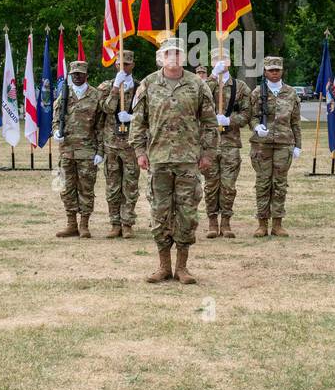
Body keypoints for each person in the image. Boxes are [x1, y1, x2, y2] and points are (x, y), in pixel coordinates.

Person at [130, 37, 216, 284]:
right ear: (161, 58)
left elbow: (210, 123)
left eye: (177, 53)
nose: (173, 57)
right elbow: (138, 121)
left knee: (187, 213)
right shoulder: (148, 84)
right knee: (160, 212)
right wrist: (139, 152)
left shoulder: (197, 85)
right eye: (168, 53)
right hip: (158, 159)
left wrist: (208, 153)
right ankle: (163, 266)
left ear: (184, 57)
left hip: (188, 159)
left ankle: (182, 267)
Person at [247, 56, 303, 236]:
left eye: (277, 70)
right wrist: (256, 127)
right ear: (265, 72)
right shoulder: (257, 92)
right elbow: (251, 116)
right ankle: (262, 223)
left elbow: (295, 121)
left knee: (279, 184)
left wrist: (298, 145)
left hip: (284, 143)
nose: (274, 73)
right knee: (263, 183)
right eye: (271, 70)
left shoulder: (291, 93)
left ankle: (277, 224)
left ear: (282, 71)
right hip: (261, 145)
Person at [52, 60, 104, 238]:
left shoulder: (96, 96)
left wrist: (100, 152)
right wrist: (56, 131)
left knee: (86, 188)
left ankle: (84, 224)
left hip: (88, 151)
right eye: (74, 74)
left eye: (80, 74)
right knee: (66, 188)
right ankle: (71, 223)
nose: (77, 77)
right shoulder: (63, 95)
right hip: (67, 150)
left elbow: (100, 127)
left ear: (86, 75)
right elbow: (56, 119)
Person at [202, 49, 250, 238]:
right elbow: (199, 99)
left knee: (228, 185)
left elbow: (246, 114)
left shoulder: (240, 87)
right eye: (215, 60)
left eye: (223, 59)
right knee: (211, 184)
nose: (220, 62)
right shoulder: (205, 84)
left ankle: (226, 222)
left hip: (230, 142)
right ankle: (212, 221)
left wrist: (229, 121)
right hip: (209, 143)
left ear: (229, 62)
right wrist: (213, 77)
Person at [96, 49, 139, 238]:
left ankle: (127, 223)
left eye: (127, 64)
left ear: (133, 65)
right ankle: (115, 223)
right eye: (120, 64)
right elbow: (106, 108)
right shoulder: (106, 87)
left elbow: (148, 114)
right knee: (113, 185)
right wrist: (115, 88)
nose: (123, 67)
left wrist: (132, 116)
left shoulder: (140, 87)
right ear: (115, 65)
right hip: (112, 143)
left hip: (131, 144)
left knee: (130, 185)